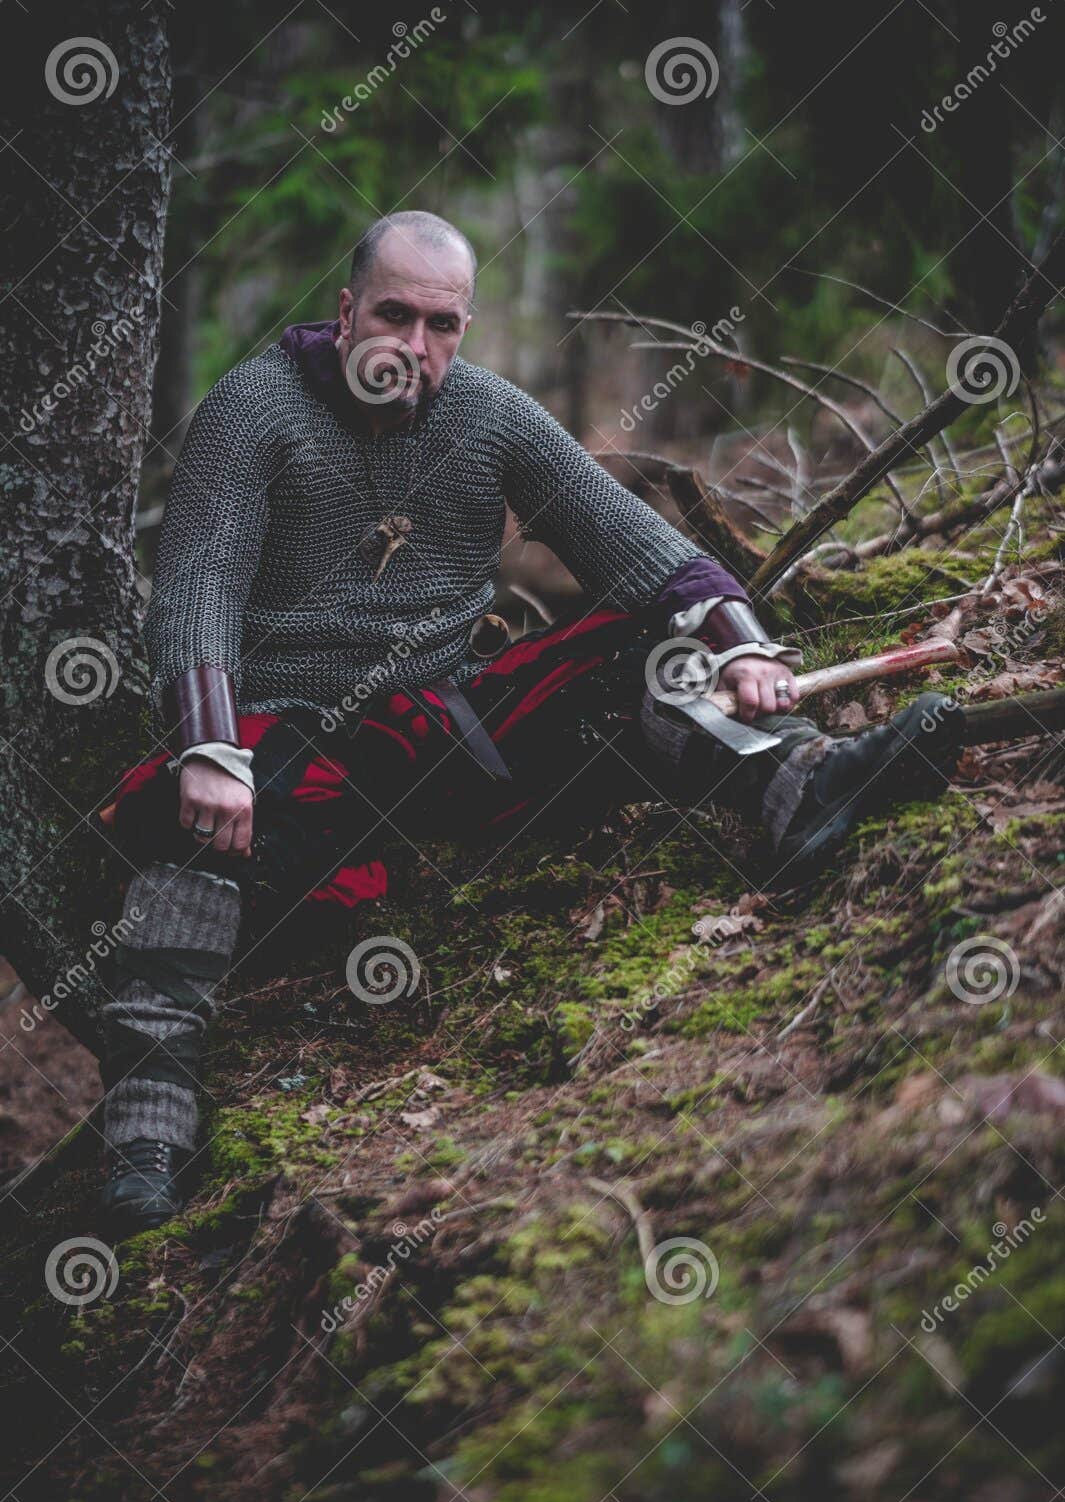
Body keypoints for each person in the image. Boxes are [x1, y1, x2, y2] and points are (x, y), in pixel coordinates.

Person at [96, 210, 963, 1239]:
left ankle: (799, 788)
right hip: (286, 739)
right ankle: (146, 1132)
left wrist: (739, 642)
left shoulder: (487, 415)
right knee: (189, 840)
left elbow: (632, 545)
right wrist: (209, 747)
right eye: (394, 315)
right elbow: (193, 590)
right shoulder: (253, 411)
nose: (414, 348)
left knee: (636, 656)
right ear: (345, 310)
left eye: (442, 324)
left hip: (443, 729)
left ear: (463, 328)